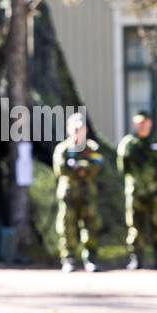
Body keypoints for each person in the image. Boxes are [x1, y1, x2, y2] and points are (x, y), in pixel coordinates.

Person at [117, 110, 157, 271]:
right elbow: (123, 168)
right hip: (136, 192)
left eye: (144, 122)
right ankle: (136, 259)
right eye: (138, 123)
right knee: (135, 226)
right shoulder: (128, 144)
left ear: (150, 123)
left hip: (156, 192)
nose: (141, 126)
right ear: (135, 124)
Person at [52, 112, 103, 273]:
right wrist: (81, 168)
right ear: (68, 129)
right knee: (68, 228)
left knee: (90, 227)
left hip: (88, 195)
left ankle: (90, 259)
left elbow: (96, 167)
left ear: (85, 130)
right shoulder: (62, 148)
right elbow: (61, 169)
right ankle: (69, 259)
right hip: (68, 195)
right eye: (74, 128)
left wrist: (78, 166)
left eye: (80, 128)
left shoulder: (92, 148)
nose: (77, 131)